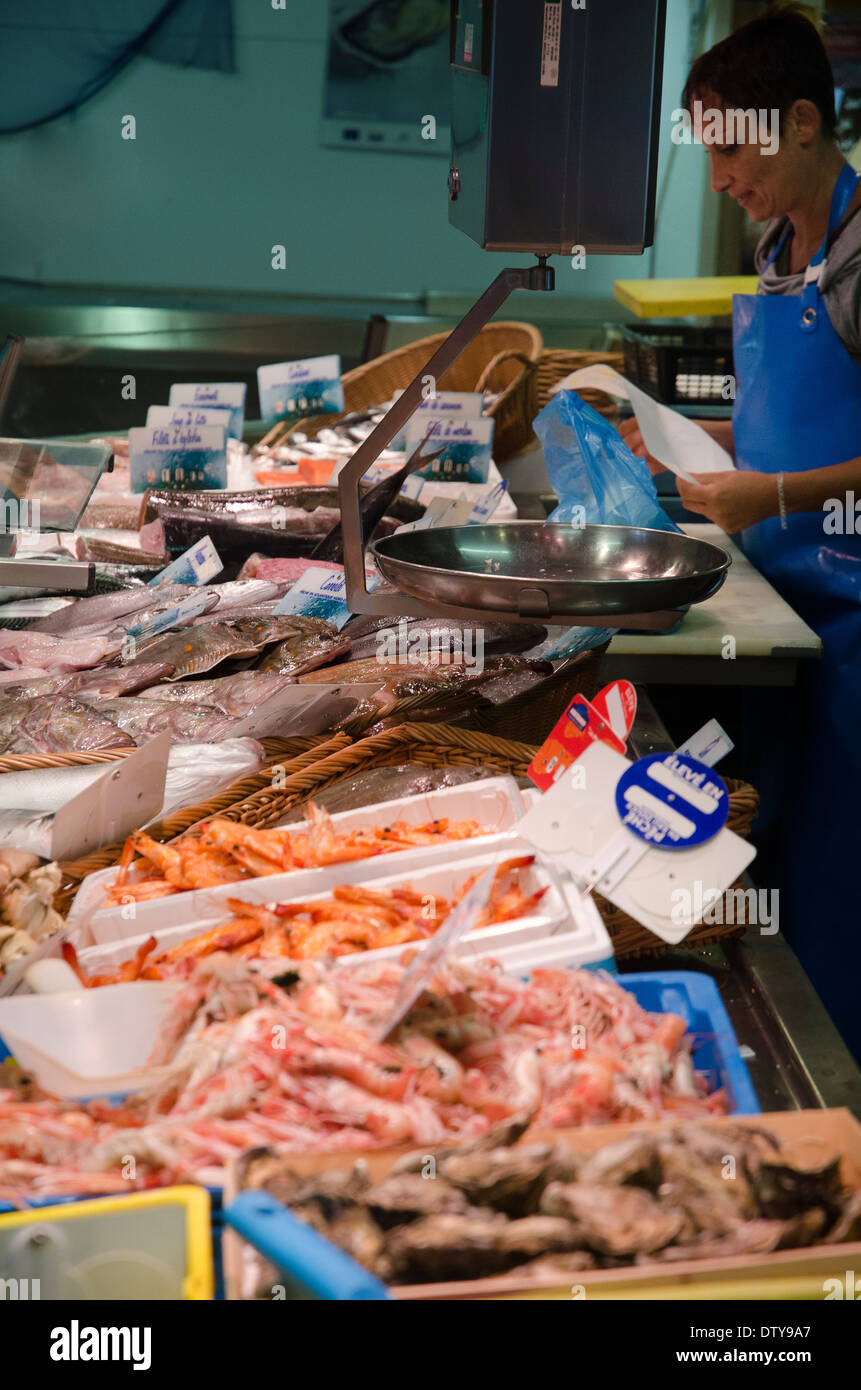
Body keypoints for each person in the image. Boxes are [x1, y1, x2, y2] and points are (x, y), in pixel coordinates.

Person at [620, 5, 861, 1061]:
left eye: (731, 149)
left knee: (838, 876)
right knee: (771, 854)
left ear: (802, 122)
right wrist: (681, 436)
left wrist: (774, 495)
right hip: (782, 602)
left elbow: (797, 466)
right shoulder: (776, 246)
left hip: (854, 621)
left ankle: (836, 1084)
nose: (718, 177)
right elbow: (788, 419)